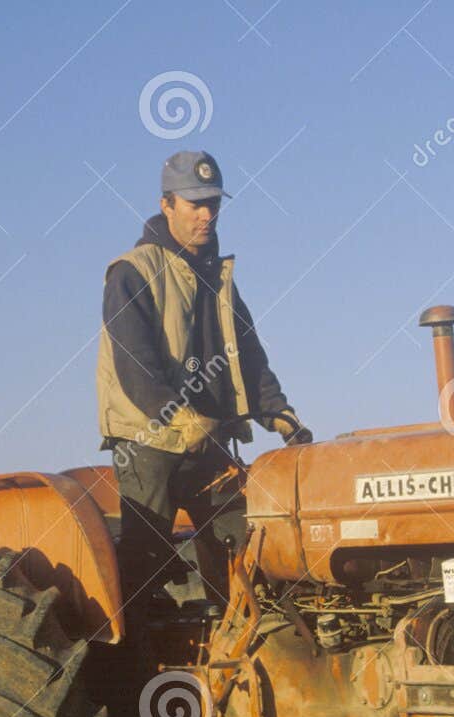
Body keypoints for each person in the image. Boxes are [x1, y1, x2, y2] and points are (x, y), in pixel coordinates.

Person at [95, 149, 311, 624]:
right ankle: (130, 665)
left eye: (213, 202)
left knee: (244, 539)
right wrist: (176, 416)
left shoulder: (220, 277)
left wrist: (276, 410)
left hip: (208, 435)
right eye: (194, 203)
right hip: (150, 439)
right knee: (146, 554)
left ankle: (238, 639)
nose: (206, 214)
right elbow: (135, 364)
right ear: (166, 204)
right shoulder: (132, 271)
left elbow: (248, 354)